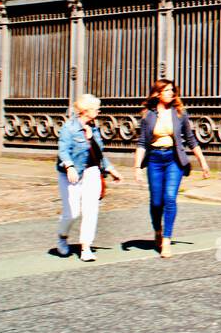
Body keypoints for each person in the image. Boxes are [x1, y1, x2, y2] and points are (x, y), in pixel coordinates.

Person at [134, 79, 211, 258]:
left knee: (170, 198)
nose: (171, 93)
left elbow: (191, 139)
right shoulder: (148, 115)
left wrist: (203, 162)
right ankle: (157, 230)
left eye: (172, 90)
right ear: (158, 93)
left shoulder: (179, 113)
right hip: (154, 160)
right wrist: (137, 167)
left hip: (173, 160)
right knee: (156, 202)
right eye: (167, 90)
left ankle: (167, 240)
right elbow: (142, 143)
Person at [56, 94, 122, 261]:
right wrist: (69, 166)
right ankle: (62, 238)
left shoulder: (93, 128)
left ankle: (86, 247)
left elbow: (98, 153)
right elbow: (63, 150)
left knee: (91, 210)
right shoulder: (69, 127)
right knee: (72, 213)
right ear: (86, 110)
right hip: (71, 174)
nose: (99, 111)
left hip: (91, 172)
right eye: (96, 108)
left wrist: (110, 169)